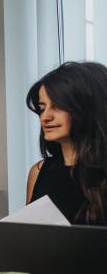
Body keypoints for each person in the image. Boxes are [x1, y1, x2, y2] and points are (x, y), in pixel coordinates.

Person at [25, 61, 107, 225]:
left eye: (57, 106)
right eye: (42, 108)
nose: (45, 117)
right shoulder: (38, 172)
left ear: (87, 108)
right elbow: (30, 238)